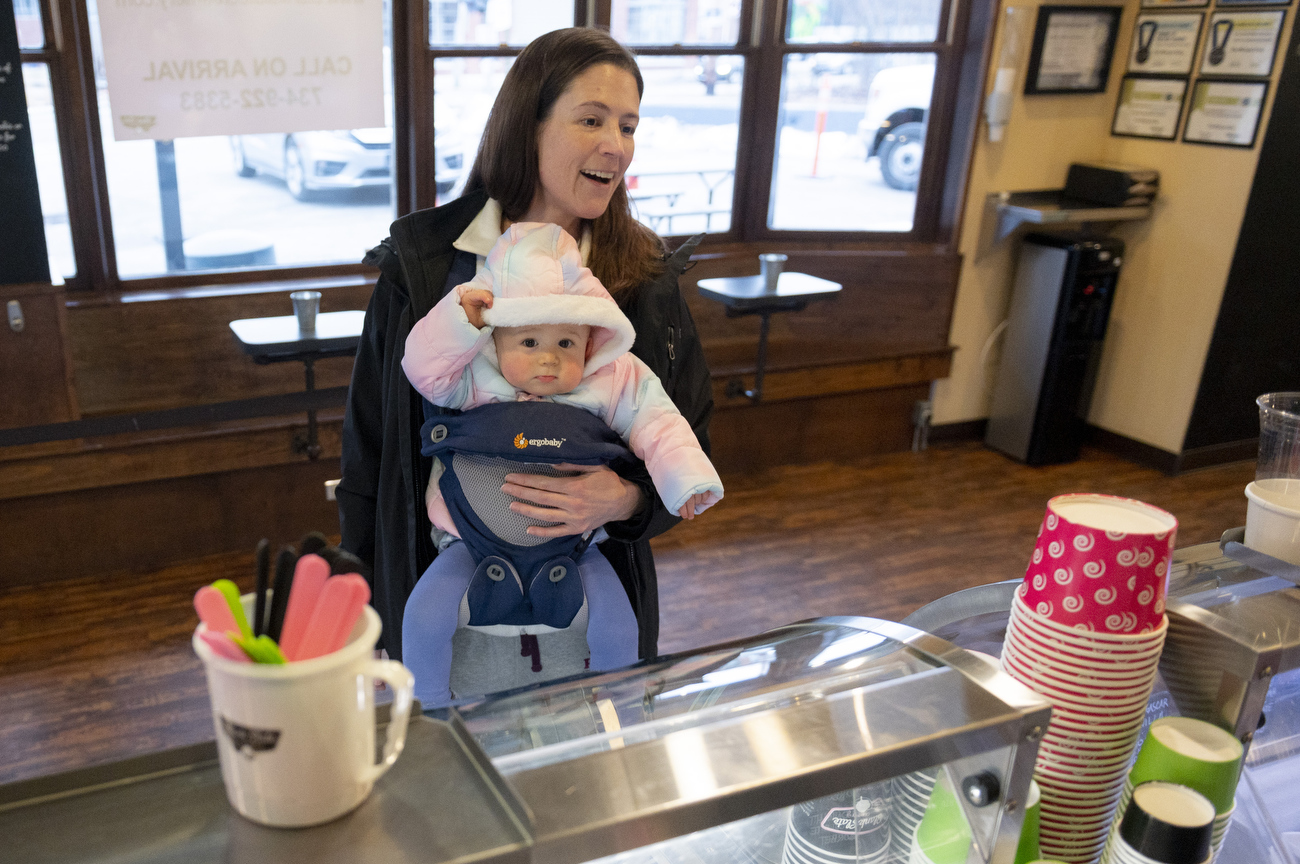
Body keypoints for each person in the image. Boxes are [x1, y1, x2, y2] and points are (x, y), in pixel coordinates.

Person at [338, 27, 715, 666]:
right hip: (442, 602)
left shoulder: (645, 277)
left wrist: (626, 501)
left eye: (628, 127)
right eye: (591, 120)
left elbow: (688, 436)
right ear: (526, 125)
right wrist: (363, 615)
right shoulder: (425, 265)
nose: (615, 147)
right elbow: (371, 451)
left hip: (590, 605)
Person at [398, 222, 723, 704]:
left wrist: (686, 482)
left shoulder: (611, 379)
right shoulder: (476, 376)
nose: (548, 359)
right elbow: (423, 369)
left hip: (578, 546)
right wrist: (459, 321)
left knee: (617, 623)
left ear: (590, 342)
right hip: (468, 543)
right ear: (498, 342)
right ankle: (428, 713)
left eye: (566, 344)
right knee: (424, 616)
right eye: (529, 343)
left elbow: (661, 424)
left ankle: (624, 713)